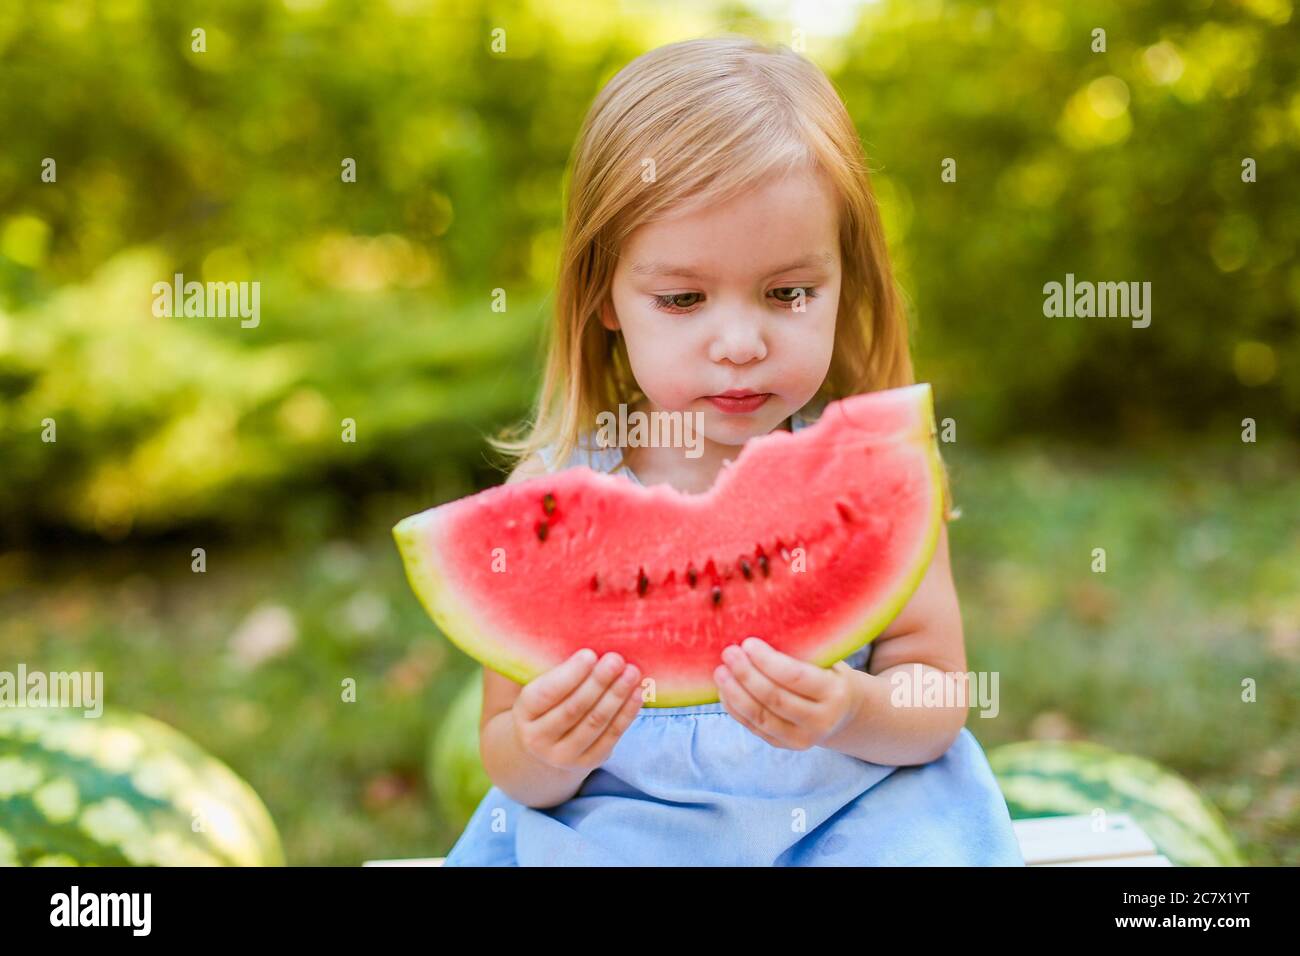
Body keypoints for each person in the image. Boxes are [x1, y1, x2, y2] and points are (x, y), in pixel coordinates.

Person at [443, 35, 1024, 866]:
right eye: (683, 298)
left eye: (788, 293)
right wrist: (545, 747)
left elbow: (936, 694)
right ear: (605, 295)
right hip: (629, 833)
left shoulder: (876, 480)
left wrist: (855, 708)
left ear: (844, 282)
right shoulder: (553, 494)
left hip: (853, 820)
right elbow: (510, 758)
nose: (741, 342)